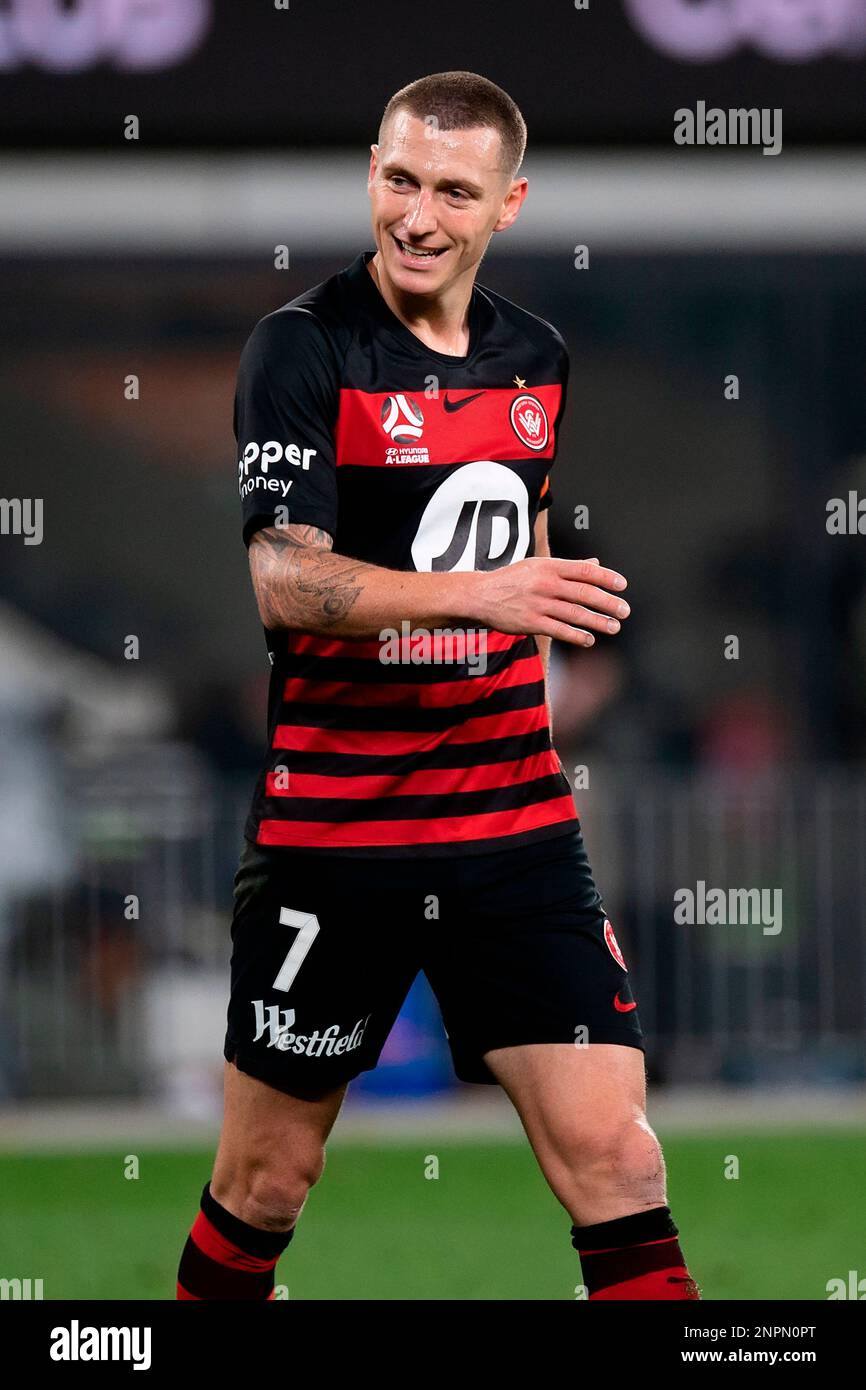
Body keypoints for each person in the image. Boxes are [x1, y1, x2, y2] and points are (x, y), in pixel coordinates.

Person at [176, 70, 699, 1301]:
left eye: (452, 191)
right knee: (265, 1181)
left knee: (616, 1160)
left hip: (513, 823)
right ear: (370, 170)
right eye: (399, 180)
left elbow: (517, 551)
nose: (417, 215)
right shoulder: (299, 348)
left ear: (507, 203)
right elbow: (285, 583)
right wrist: (488, 596)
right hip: (335, 836)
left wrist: (538, 618)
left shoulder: (536, 358)